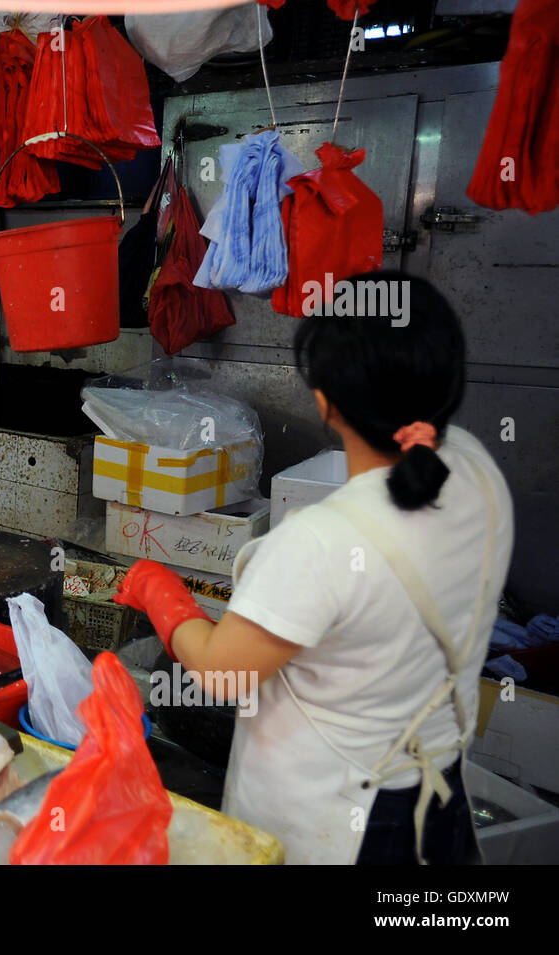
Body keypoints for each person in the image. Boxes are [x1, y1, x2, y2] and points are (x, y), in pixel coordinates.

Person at [115, 272, 513, 865]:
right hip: (438, 805)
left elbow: (224, 674)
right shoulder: (478, 471)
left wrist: (161, 592)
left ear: (325, 398)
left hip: (341, 828)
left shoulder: (324, 541)